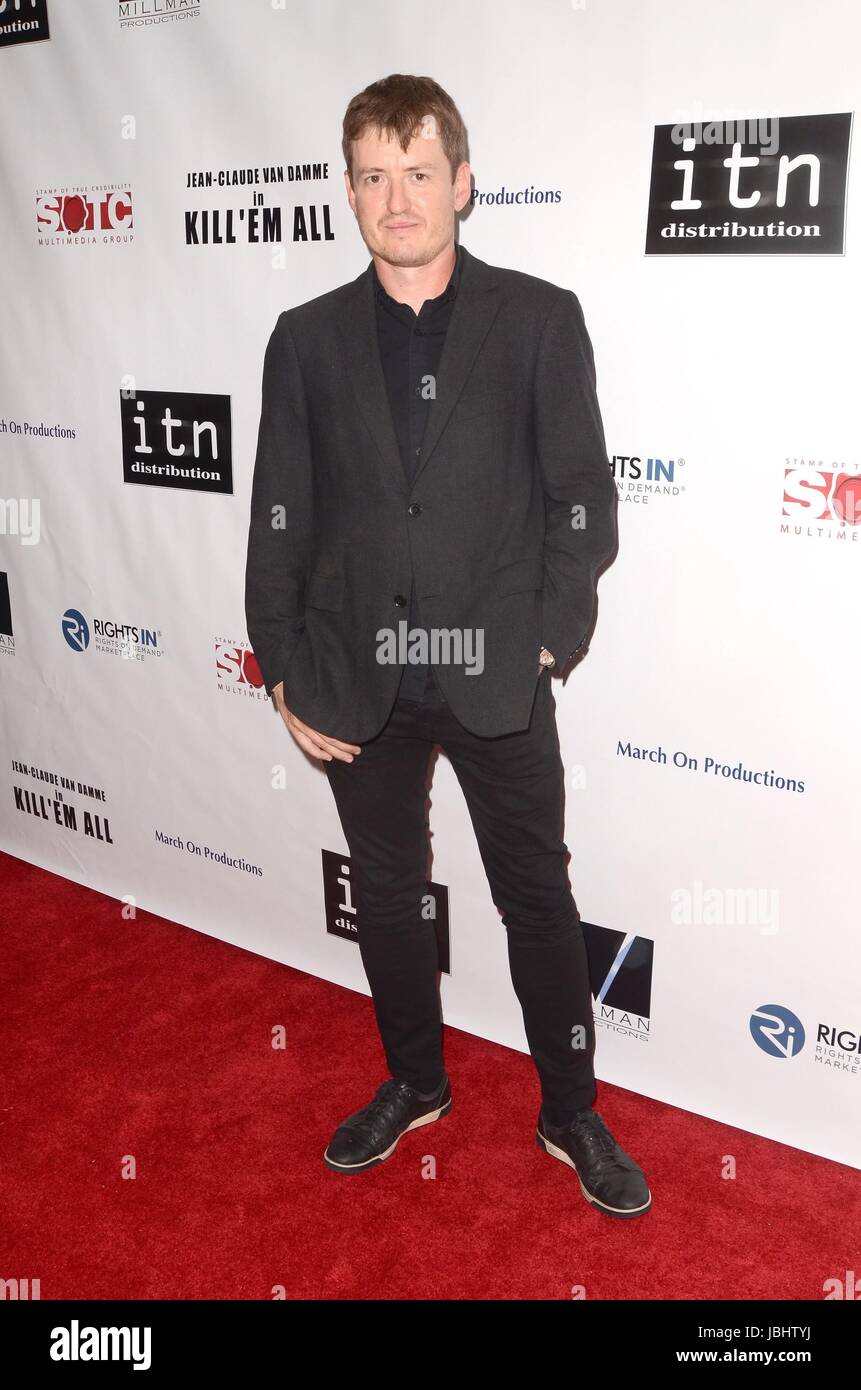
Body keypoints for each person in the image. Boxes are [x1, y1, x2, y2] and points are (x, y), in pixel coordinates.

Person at [245, 74, 651, 1218]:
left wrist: (548, 636)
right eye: (373, 176)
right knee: (386, 893)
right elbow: (280, 509)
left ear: (463, 184)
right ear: (350, 193)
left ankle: (568, 1108)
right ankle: (416, 1083)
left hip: (498, 673)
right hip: (353, 670)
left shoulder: (538, 318)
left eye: (418, 172)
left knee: (536, 897)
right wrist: (280, 665)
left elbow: (582, 498)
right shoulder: (306, 340)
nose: (397, 197)